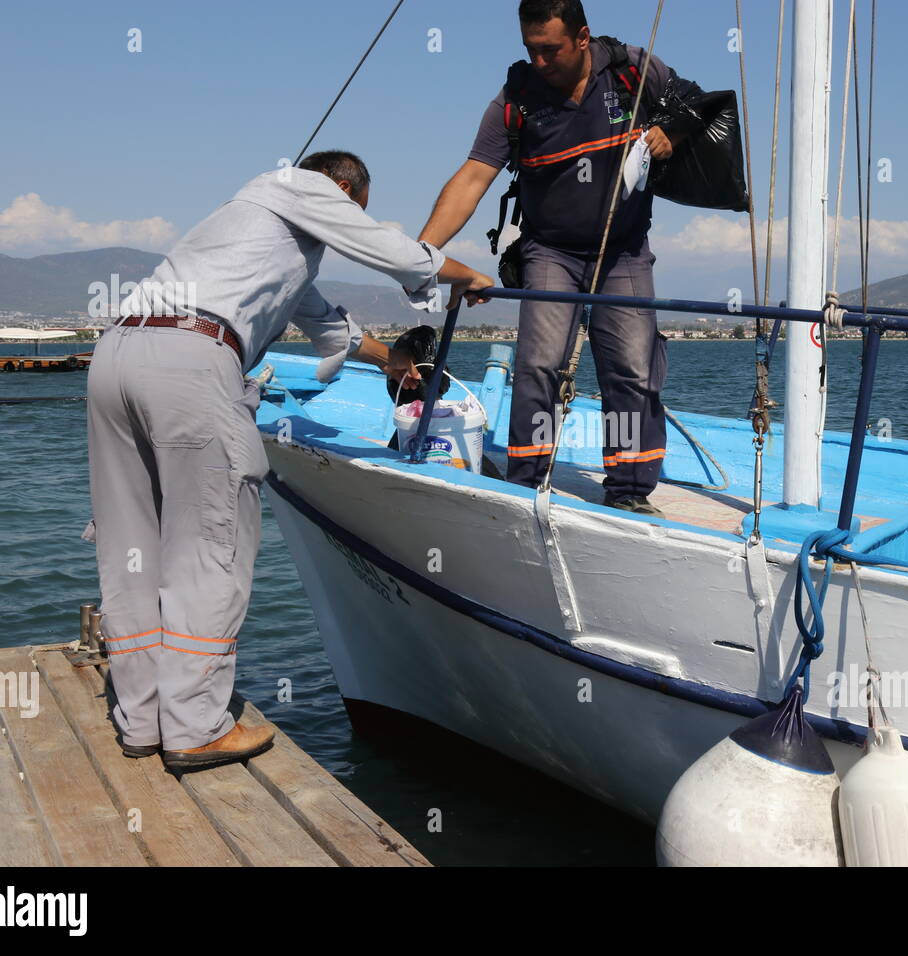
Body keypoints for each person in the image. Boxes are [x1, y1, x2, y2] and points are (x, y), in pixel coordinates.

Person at [86, 150, 493, 770]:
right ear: (344, 192)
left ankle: (141, 720)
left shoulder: (250, 238)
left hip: (117, 356)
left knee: (131, 542)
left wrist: (393, 360)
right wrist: (461, 276)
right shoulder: (299, 185)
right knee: (209, 543)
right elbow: (397, 252)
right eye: (351, 207)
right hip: (192, 361)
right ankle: (195, 727)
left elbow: (332, 331)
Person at [419, 0, 702, 516]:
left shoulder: (635, 71)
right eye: (531, 50)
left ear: (583, 37)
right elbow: (473, 178)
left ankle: (629, 491)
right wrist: (420, 253)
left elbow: (698, 106)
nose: (540, 61)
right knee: (540, 365)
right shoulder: (515, 100)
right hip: (550, 250)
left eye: (550, 49)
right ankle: (527, 484)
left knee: (633, 371)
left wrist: (672, 132)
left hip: (625, 251)